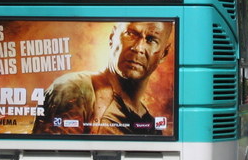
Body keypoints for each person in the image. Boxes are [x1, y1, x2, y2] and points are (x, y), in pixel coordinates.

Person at [32, 21, 173, 135]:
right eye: (130, 34)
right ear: (112, 37)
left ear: (164, 53)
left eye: (151, 40)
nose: (138, 48)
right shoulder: (74, 88)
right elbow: (58, 158)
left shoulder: (150, 124)